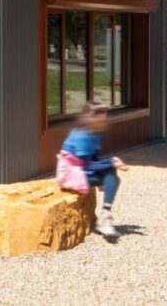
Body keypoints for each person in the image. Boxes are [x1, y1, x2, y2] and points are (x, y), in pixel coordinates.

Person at [61, 101, 129, 238]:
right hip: (71, 175)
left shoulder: (95, 134)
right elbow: (87, 165)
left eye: (104, 115)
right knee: (111, 174)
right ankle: (105, 216)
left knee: (111, 171)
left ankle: (106, 213)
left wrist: (112, 162)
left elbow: (94, 159)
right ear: (89, 118)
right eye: (100, 116)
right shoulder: (80, 135)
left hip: (82, 172)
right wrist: (111, 163)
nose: (104, 119)